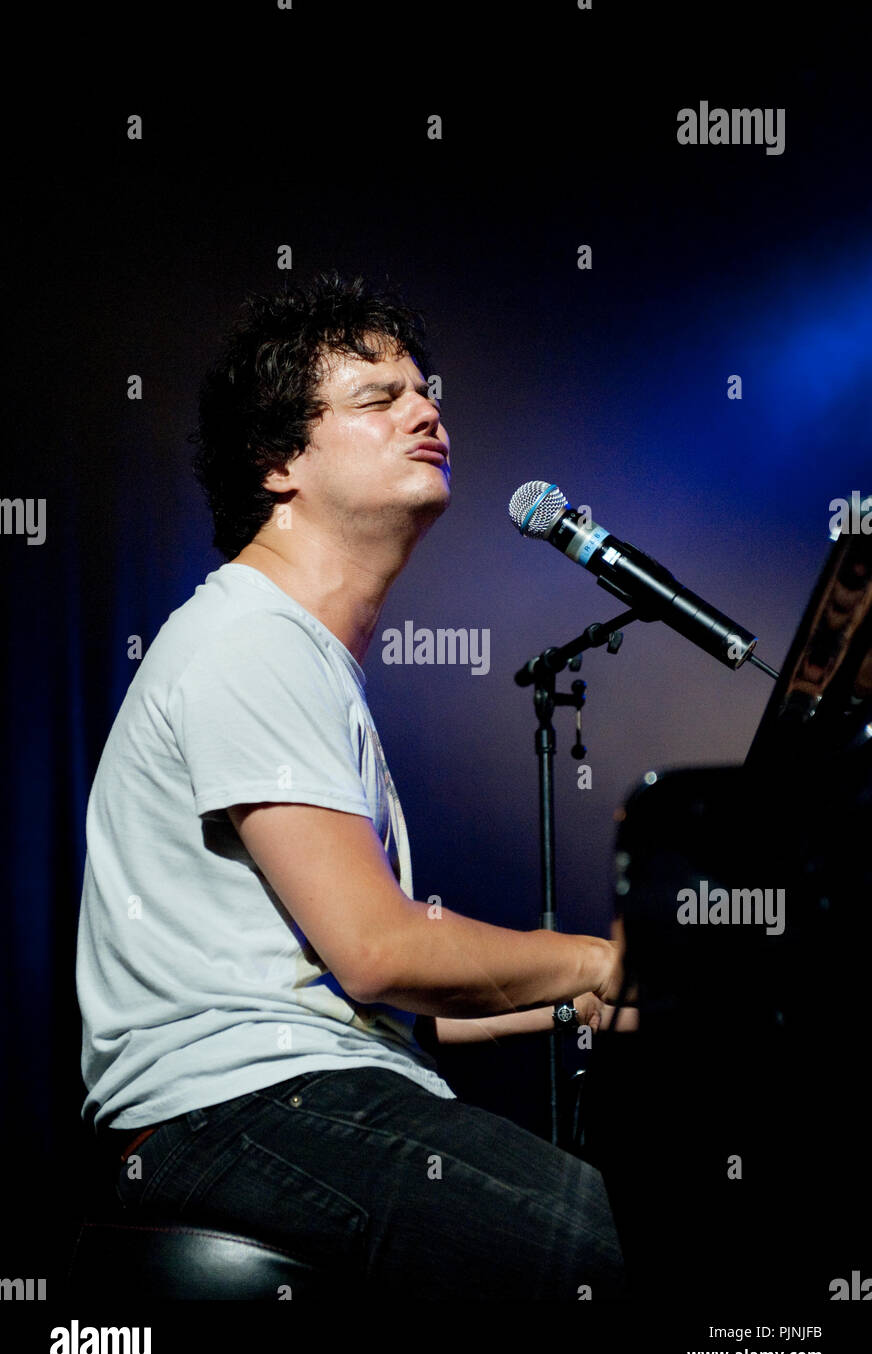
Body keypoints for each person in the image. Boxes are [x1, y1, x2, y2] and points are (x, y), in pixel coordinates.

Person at [76, 270, 632, 1300]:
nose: (423, 409)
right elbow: (379, 954)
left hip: (292, 1095)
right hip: (244, 1111)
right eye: (377, 398)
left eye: (426, 392)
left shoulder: (292, 651)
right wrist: (593, 956)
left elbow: (396, 1001)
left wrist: (592, 999)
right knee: (628, 1257)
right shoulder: (251, 639)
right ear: (275, 460)